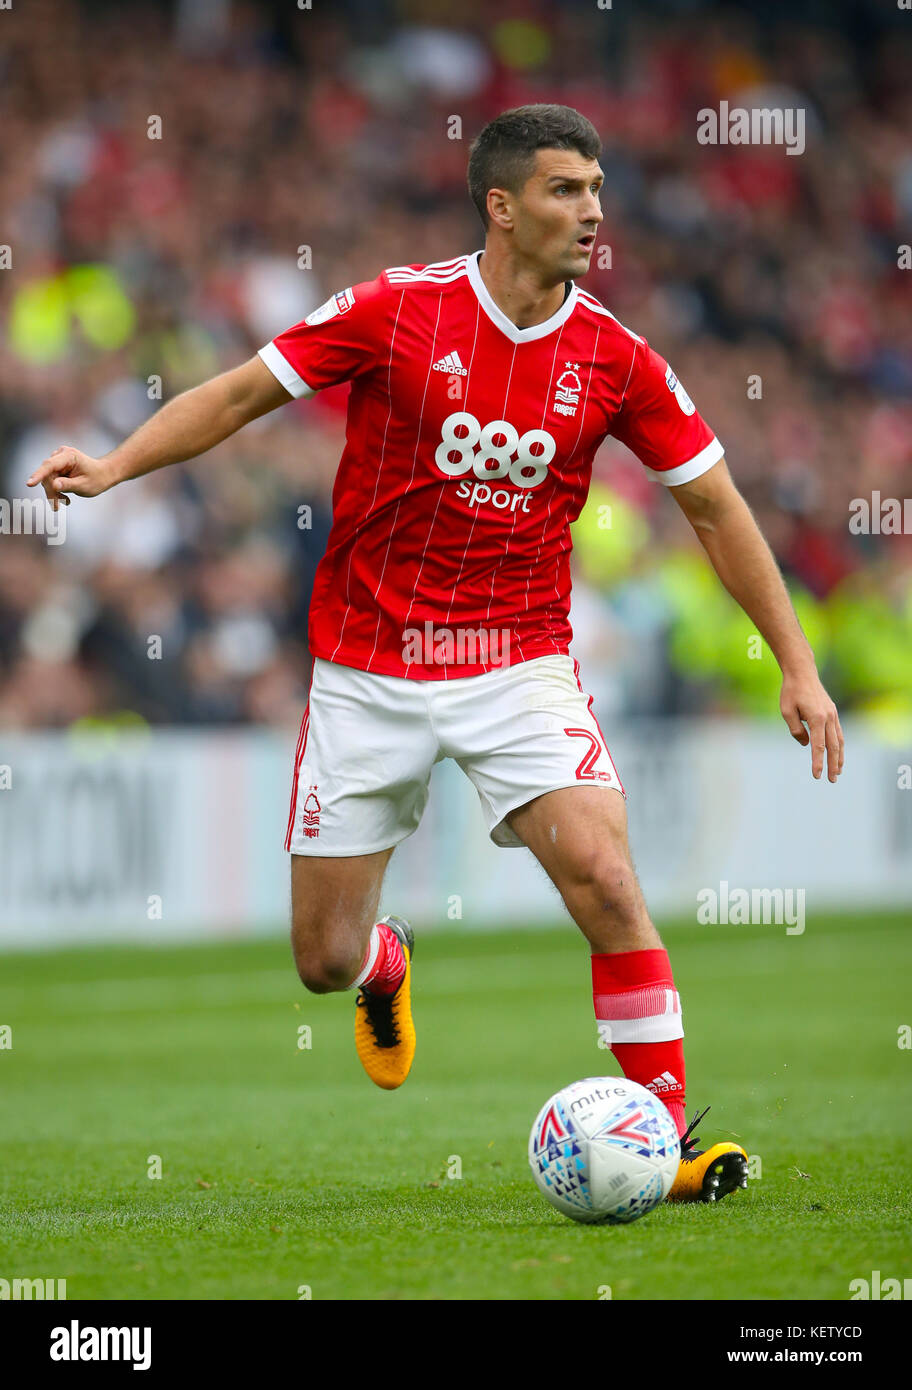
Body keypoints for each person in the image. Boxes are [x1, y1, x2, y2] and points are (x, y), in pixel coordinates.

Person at [28, 104, 844, 1203]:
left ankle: (665, 1139)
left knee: (606, 880)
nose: (593, 211)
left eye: (598, 190)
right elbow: (240, 393)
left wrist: (795, 660)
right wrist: (118, 466)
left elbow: (714, 506)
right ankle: (387, 964)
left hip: (518, 663)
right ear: (501, 206)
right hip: (368, 671)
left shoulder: (617, 357)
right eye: (567, 190)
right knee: (323, 959)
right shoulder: (396, 309)